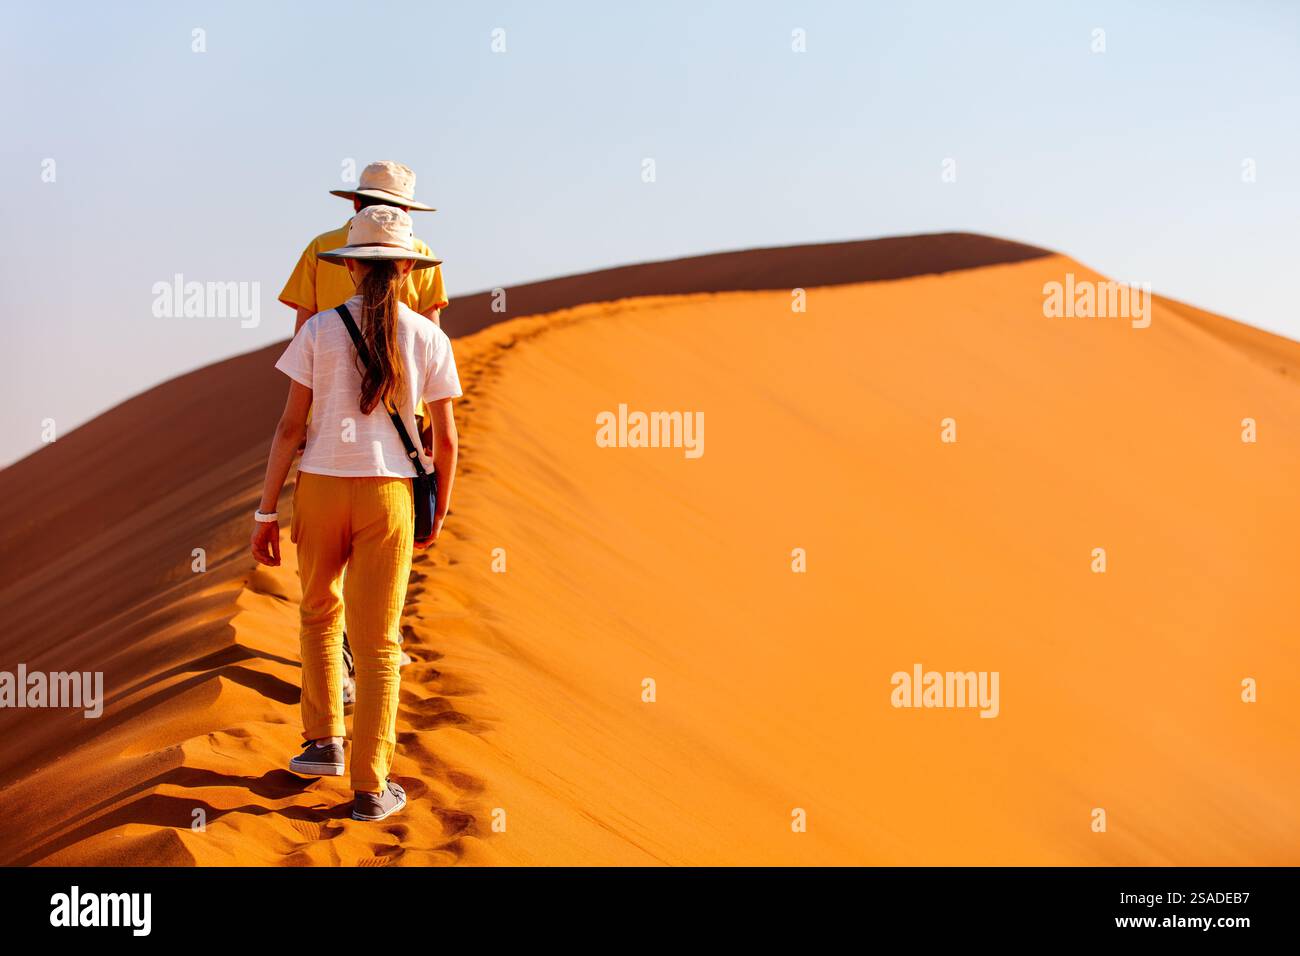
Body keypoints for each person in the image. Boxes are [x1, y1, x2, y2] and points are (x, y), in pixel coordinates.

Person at [251, 205, 461, 821]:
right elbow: (446, 439)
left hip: (319, 486)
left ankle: (322, 745)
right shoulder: (429, 338)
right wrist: (439, 507)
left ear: (349, 265)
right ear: (405, 268)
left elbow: (290, 427)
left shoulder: (317, 331)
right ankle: (371, 787)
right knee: (378, 646)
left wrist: (266, 512)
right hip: (389, 495)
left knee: (319, 614)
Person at [279, 160, 447, 705]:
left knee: (319, 589)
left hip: (325, 408)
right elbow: (431, 339)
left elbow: (302, 329)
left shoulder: (320, 248)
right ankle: (362, 652)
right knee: (383, 554)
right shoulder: (417, 256)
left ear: (355, 205)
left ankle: (326, 713)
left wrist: (307, 414)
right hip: (394, 424)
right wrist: (418, 427)